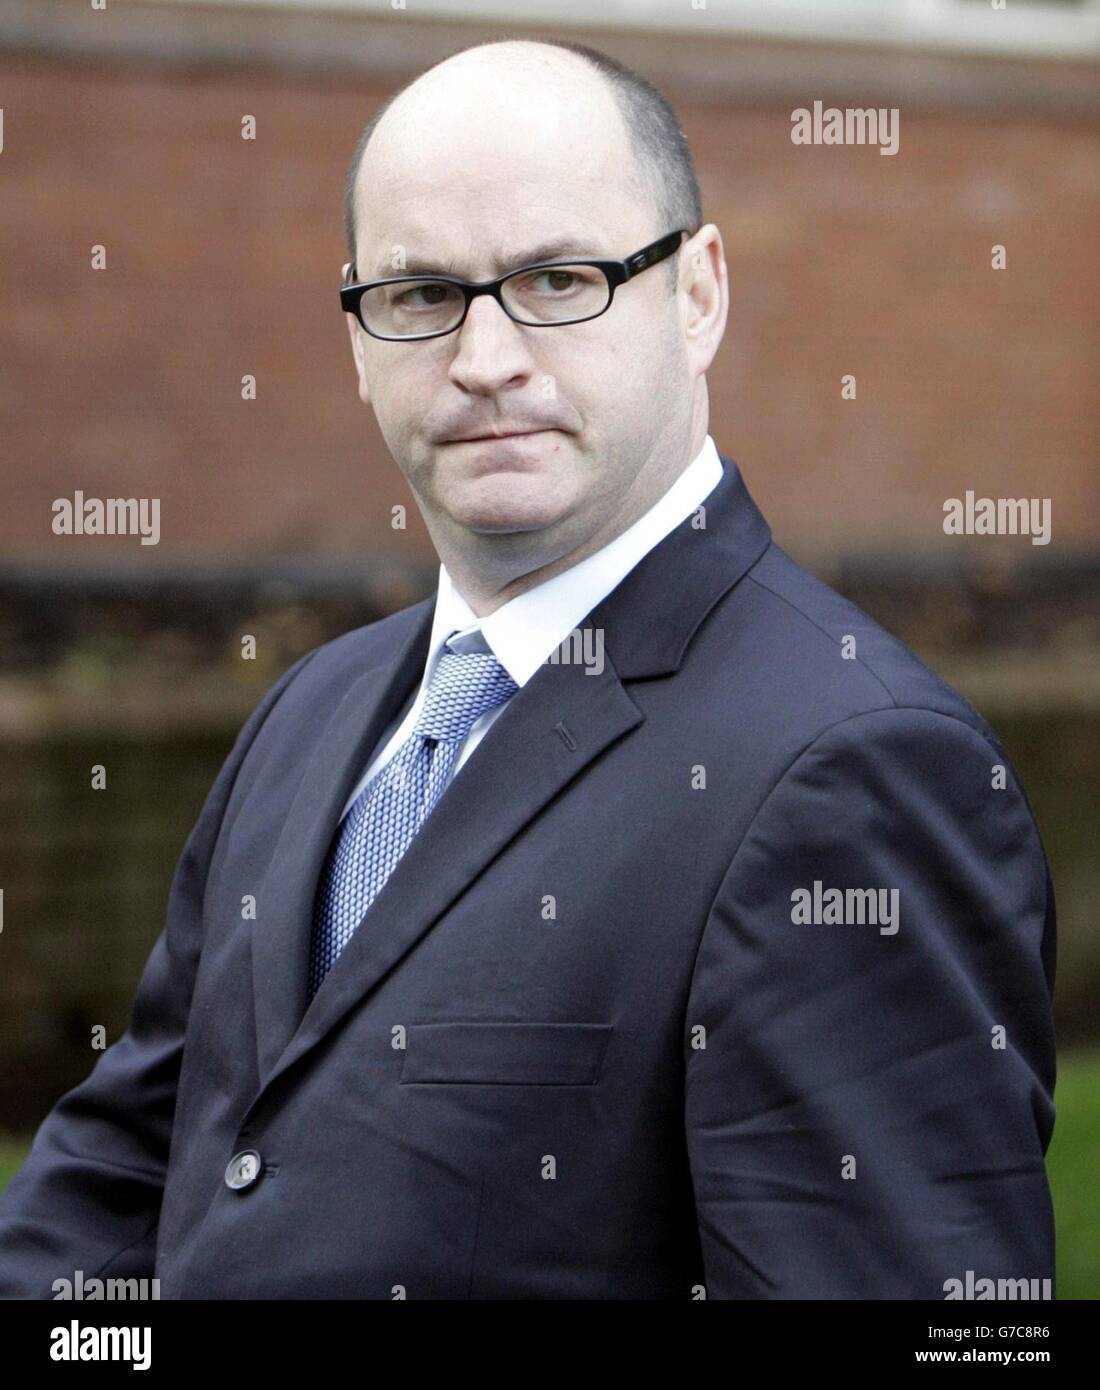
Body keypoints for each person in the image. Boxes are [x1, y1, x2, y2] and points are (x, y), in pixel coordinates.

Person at [0, 37, 1056, 1300]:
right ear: (356, 333)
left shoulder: (854, 769)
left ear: (698, 292)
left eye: (558, 278)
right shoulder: (311, 711)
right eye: (419, 294)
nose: (485, 357)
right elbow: (134, 1171)